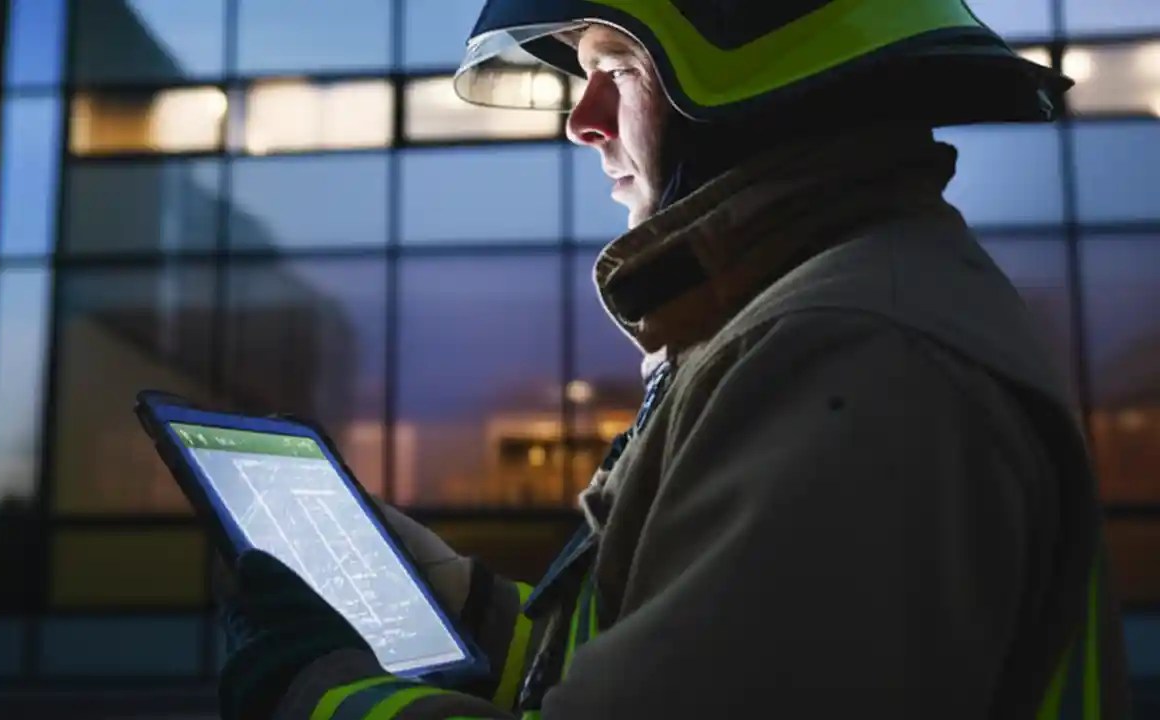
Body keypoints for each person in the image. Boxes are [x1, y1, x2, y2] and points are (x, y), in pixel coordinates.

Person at [217, 1, 1133, 718]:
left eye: (617, 68)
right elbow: (675, 663)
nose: (584, 119)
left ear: (769, 76)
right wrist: (460, 601)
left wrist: (321, 693)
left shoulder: (853, 354)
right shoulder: (817, 313)